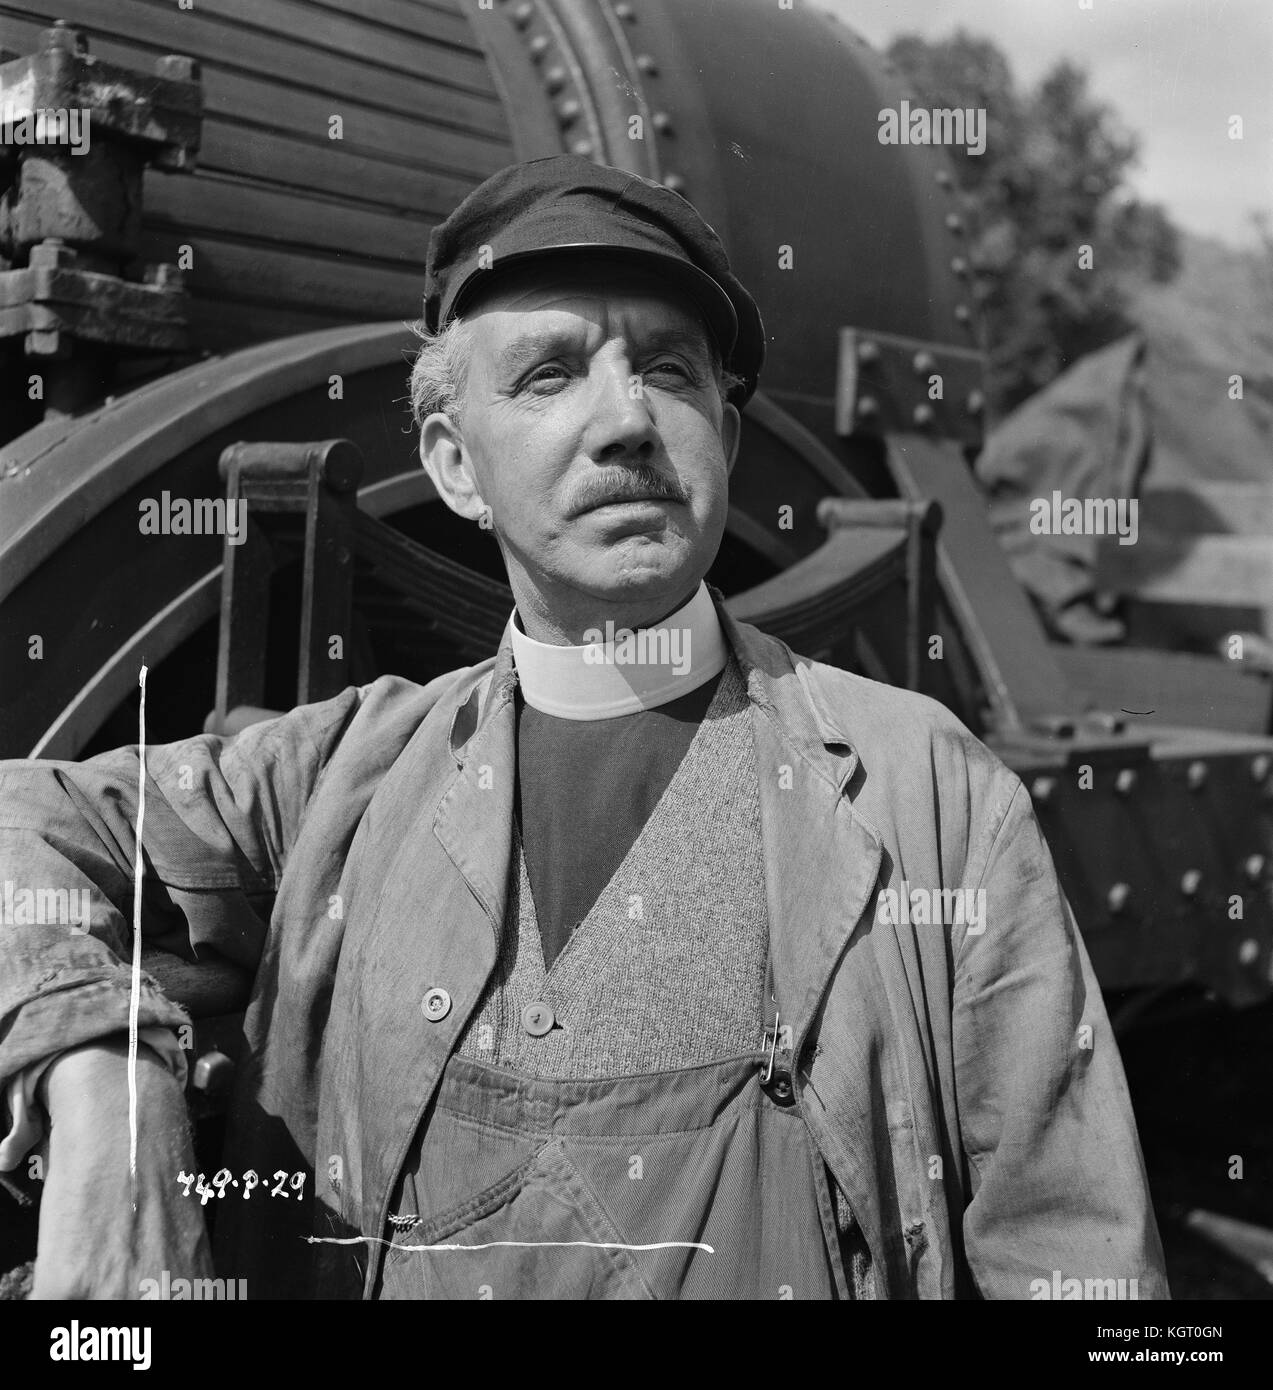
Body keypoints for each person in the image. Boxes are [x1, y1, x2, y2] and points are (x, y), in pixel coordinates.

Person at [0, 154, 1167, 1300]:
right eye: (549, 375)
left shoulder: (933, 793)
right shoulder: (332, 777)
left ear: (725, 433)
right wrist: (111, 1079)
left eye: (666, 369)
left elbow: (1072, 1254)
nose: (626, 423)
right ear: (455, 465)